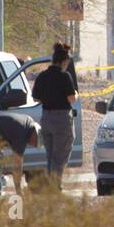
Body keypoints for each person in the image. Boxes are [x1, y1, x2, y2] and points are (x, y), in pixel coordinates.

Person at [32, 42, 77, 190]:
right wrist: (75, 93)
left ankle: (51, 183)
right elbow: (71, 98)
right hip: (62, 120)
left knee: (50, 155)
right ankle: (54, 185)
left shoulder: (42, 76)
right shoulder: (65, 76)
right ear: (64, 61)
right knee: (61, 154)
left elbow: (36, 98)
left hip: (46, 118)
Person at [0, 111, 39, 193]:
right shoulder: (22, 132)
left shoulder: (28, 123)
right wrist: (18, 190)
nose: (33, 145)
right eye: (36, 143)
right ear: (35, 134)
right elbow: (17, 165)